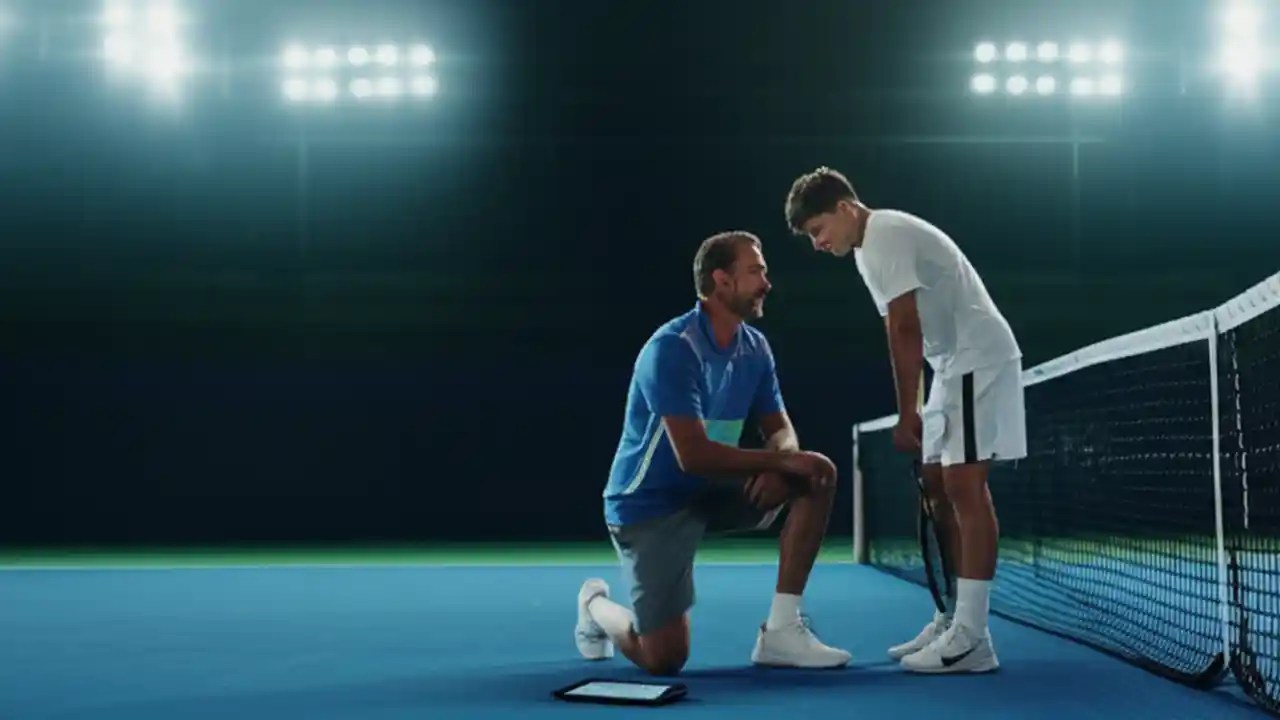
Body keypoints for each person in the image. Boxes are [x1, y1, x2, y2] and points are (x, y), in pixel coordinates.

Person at [573, 230, 852, 676]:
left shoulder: (755, 348)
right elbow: (694, 456)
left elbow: (781, 430)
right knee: (663, 659)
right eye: (756, 271)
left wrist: (783, 460)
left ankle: (781, 630)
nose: (767, 282)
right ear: (722, 281)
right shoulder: (672, 349)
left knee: (815, 472)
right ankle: (595, 606)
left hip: (713, 491)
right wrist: (777, 460)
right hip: (649, 506)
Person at [784, 167, 1025, 674]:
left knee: (963, 485)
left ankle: (973, 636)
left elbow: (904, 328)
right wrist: (915, 404)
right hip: (950, 366)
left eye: (818, 230)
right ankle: (951, 614)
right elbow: (905, 328)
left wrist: (906, 411)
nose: (818, 243)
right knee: (937, 484)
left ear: (846, 209)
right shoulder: (868, 250)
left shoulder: (884, 236)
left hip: (976, 357)